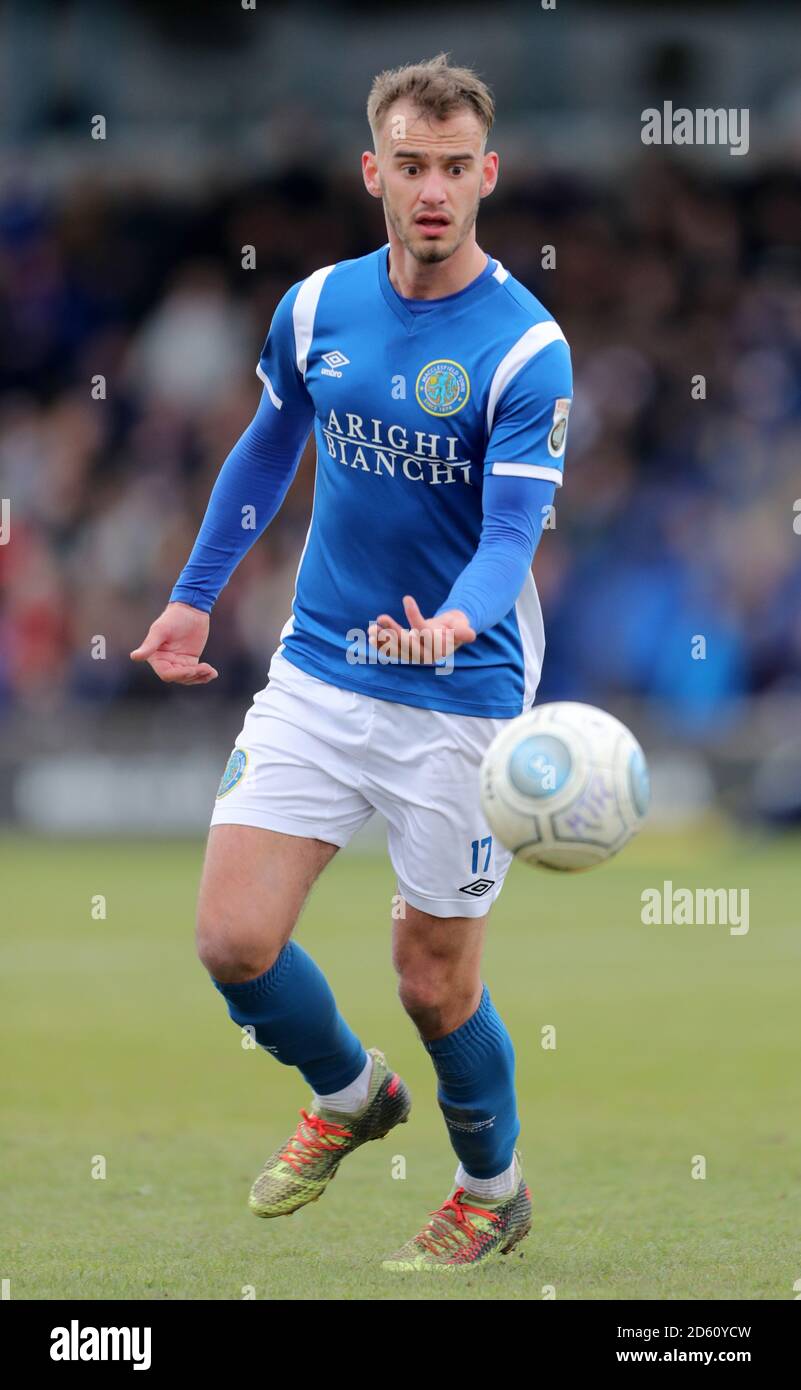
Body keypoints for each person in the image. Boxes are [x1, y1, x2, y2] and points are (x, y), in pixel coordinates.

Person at [131, 53, 572, 1272]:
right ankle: (350, 1090)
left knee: (433, 985)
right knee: (232, 941)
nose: (432, 191)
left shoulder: (528, 350)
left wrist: (456, 621)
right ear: (374, 171)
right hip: (321, 667)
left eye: (454, 169)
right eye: (410, 167)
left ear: (487, 176)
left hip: (461, 697)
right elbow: (269, 447)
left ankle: (494, 1185)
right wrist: (190, 598)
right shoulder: (318, 307)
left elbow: (508, 537)